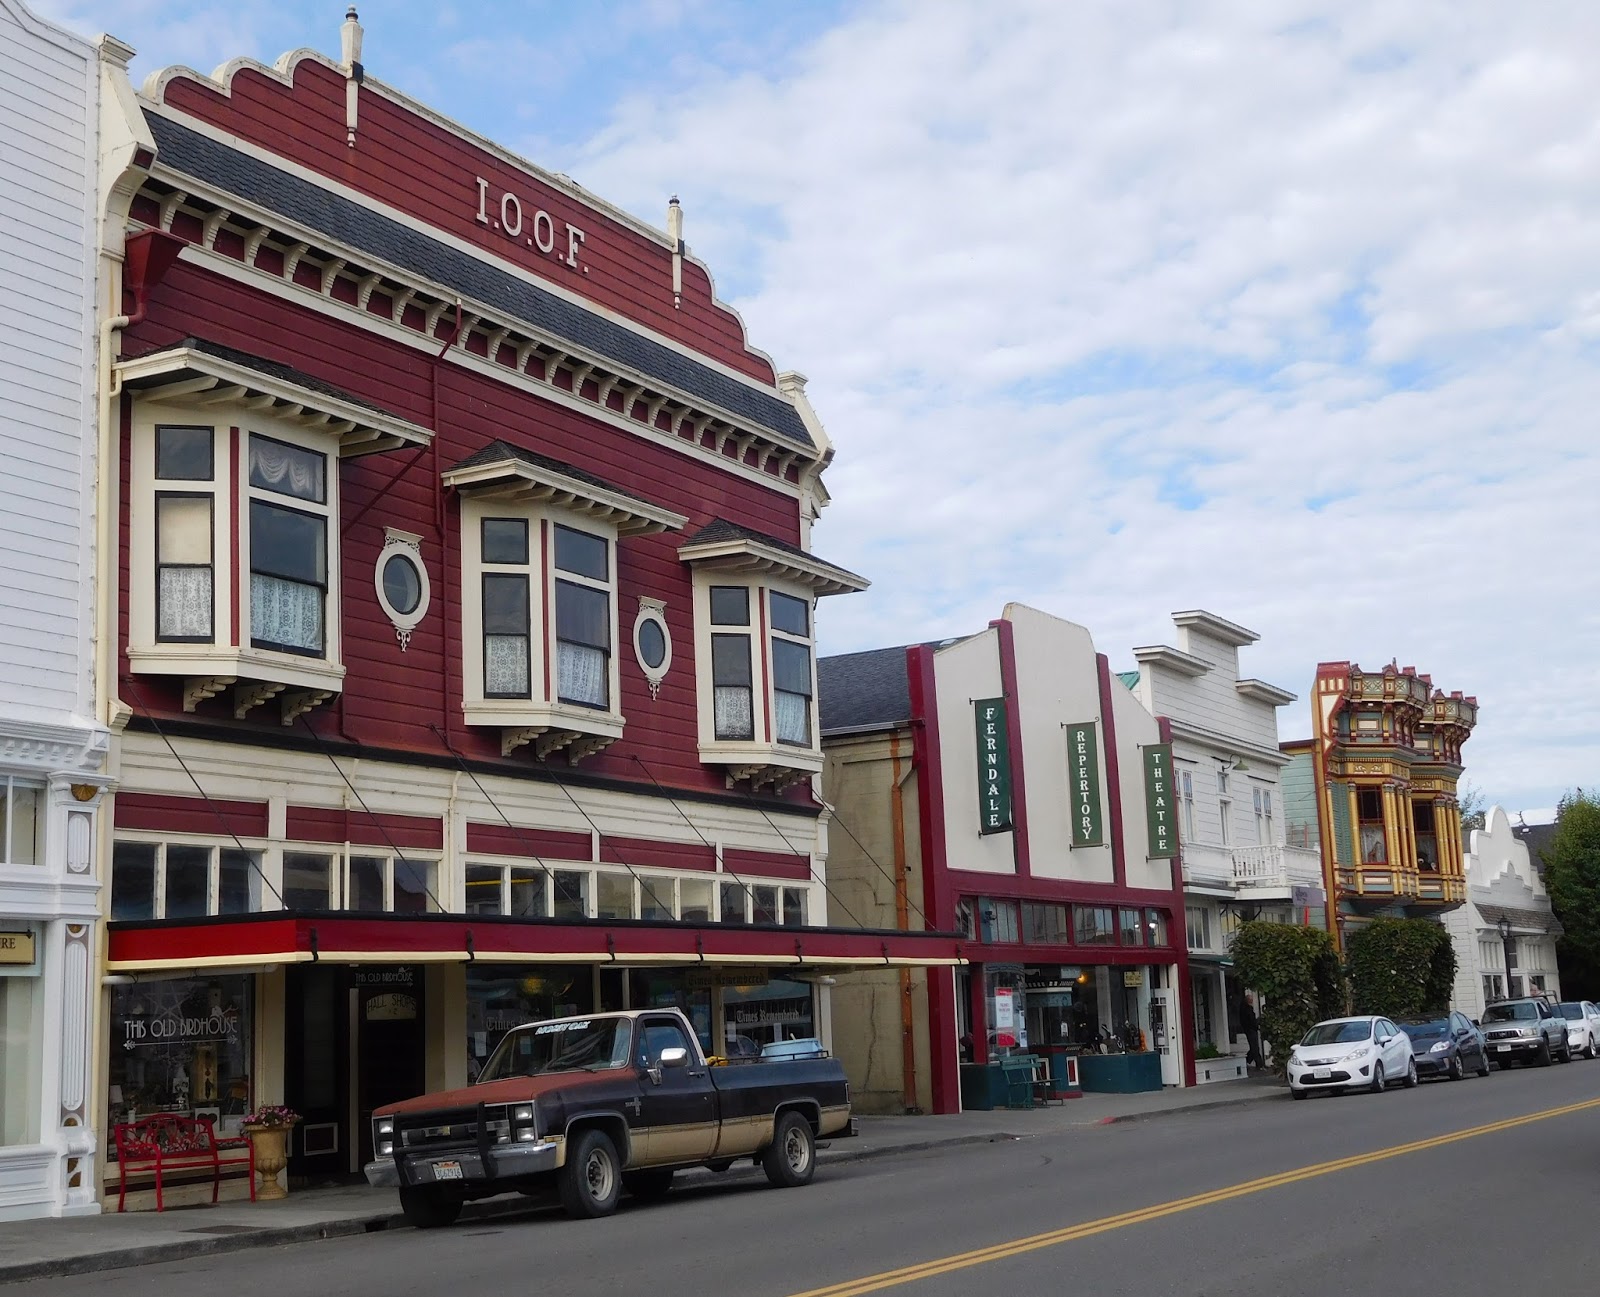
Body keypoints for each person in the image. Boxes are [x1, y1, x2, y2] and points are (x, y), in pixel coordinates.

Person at [1241, 994, 1264, 1069]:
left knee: (1253, 1047)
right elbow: (1251, 1021)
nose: (1252, 1001)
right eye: (1251, 1000)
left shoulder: (1243, 1009)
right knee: (1254, 1047)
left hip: (1248, 1030)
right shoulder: (1248, 1009)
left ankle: (1247, 1061)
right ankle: (1259, 1064)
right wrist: (1257, 1022)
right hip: (1251, 1030)